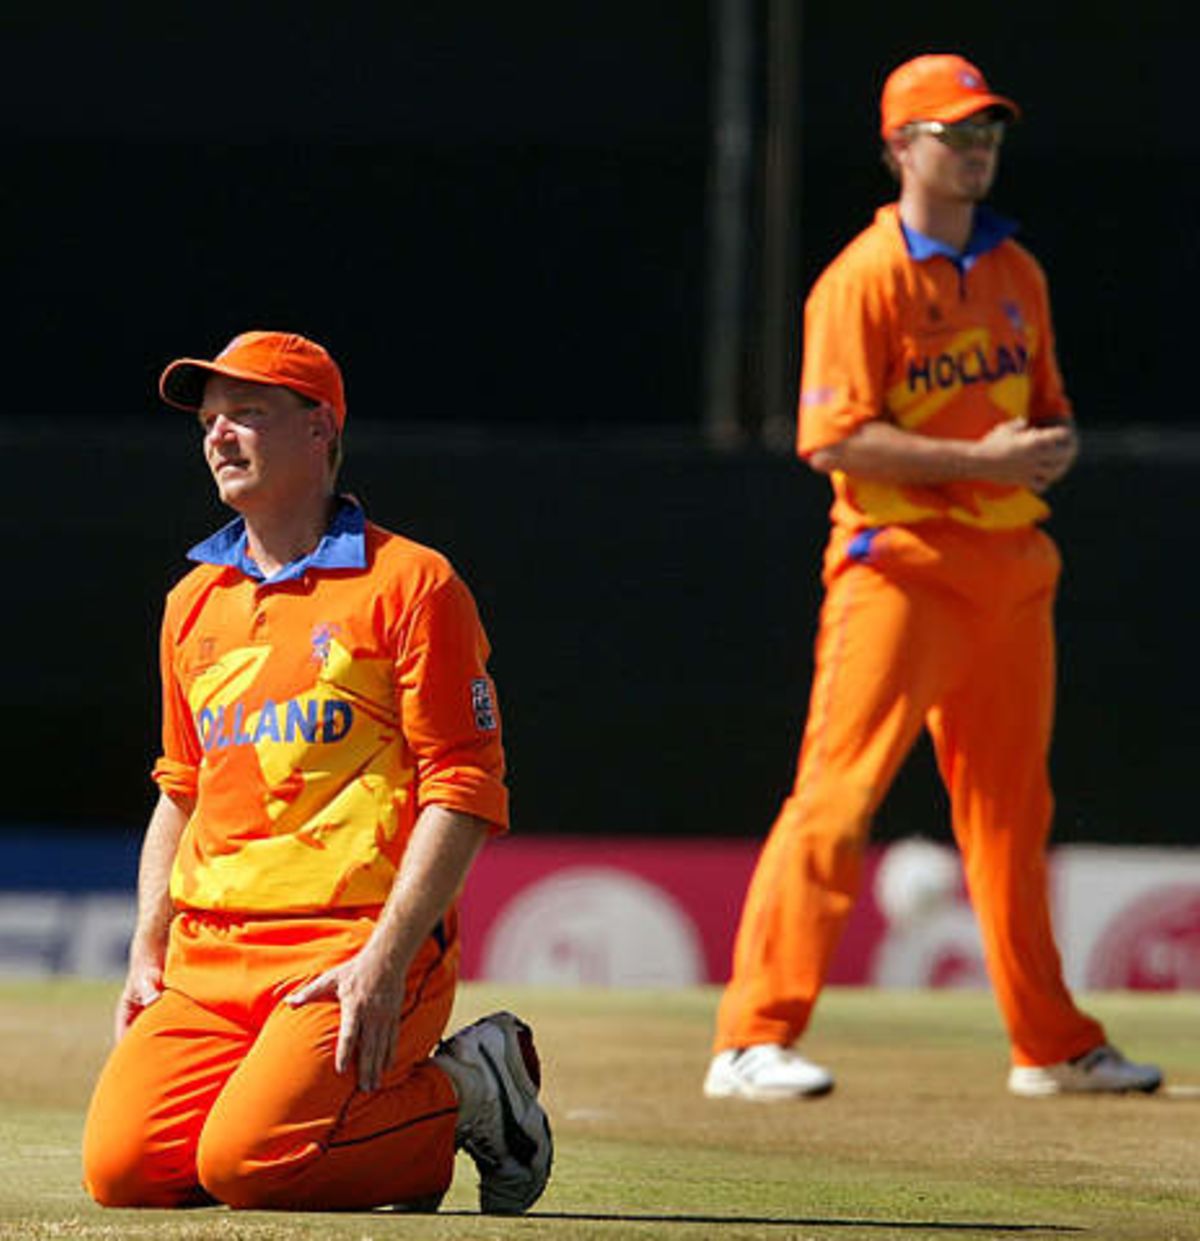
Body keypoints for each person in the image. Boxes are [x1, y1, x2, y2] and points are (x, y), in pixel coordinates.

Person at [704, 54, 1163, 1101]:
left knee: (1012, 817)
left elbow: (1046, 411)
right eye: (955, 133)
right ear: (900, 147)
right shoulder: (861, 279)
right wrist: (979, 461)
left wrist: (1047, 448)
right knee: (837, 797)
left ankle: (1050, 1043)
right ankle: (750, 1038)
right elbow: (830, 439)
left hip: (1012, 569)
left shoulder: (1017, 273)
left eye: (987, 132)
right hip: (898, 568)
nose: (977, 149)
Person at [82, 330, 553, 1212]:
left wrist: (387, 955)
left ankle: (471, 1090)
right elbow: (180, 787)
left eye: (247, 413)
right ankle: (385, 1113)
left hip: (350, 947)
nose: (219, 435)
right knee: (123, 1171)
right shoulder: (193, 602)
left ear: (320, 429)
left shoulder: (411, 582)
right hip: (211, 959)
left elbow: (463, 787)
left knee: (248, 1165)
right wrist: (149, 941)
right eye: (210, 420)